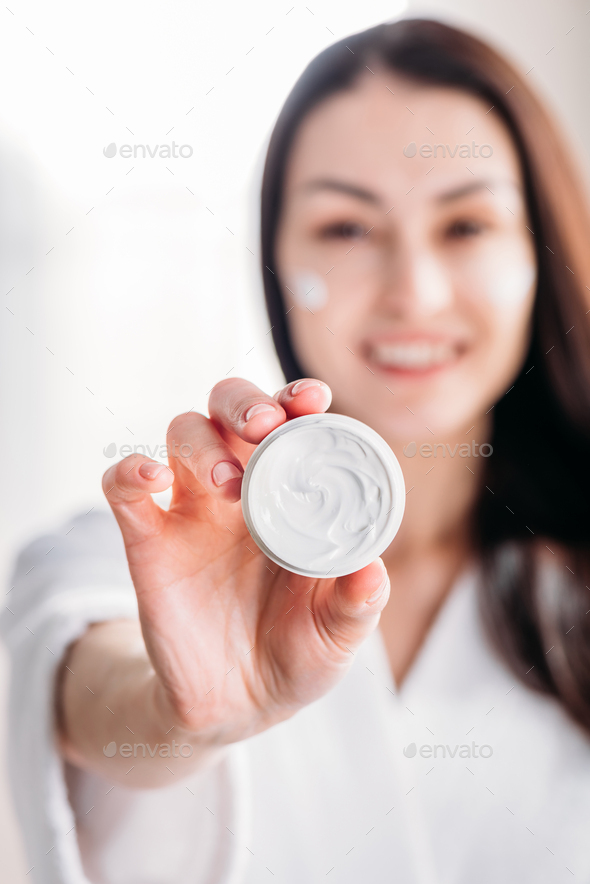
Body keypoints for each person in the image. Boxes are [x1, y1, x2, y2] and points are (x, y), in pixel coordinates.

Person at [3, 17, 590, 884]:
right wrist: (176, 713)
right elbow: (92, 687)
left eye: (466, 225)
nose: (414, 292)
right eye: (346, 228)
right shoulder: (132, 556)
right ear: (275, 259)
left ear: (540, 249)